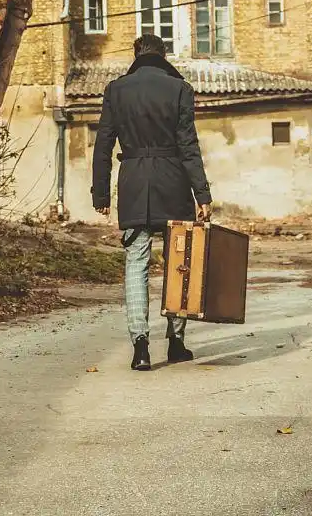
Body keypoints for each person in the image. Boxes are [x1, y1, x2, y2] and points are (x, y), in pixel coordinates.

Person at [91, 33, 213, 371]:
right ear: (163, 55)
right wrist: (202, 195)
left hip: (133, 184)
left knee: (136, 263)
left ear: (136, 54)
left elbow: (103, 145)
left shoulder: (116, 90)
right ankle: (176, 342)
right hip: (173, 183)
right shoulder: (179, 89)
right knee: (179, 265)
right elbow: (189, 146)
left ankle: (141, 348)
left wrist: (101, 194)